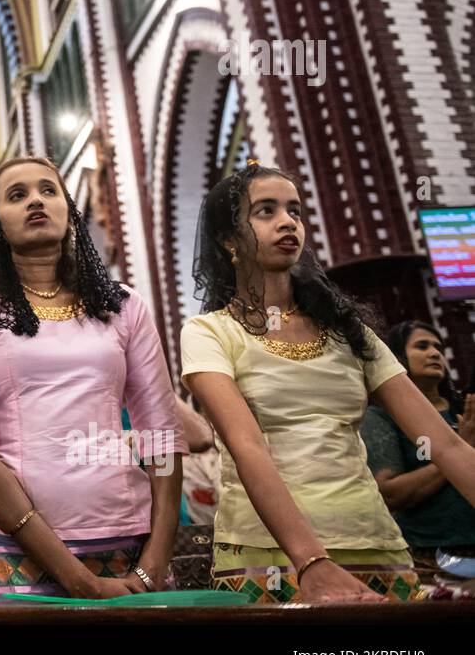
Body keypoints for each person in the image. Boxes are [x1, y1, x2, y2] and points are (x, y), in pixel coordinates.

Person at [180, 161, 475, 603]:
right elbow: (247, 446)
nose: (287, 222)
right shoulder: (210, 333)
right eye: (265, 211)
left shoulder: (349, 333)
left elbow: (446, 445)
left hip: (374, 544)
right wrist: (312, 562)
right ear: (228, 241)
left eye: (294, 211)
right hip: (270, 556)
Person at [0, 156, 184, 601]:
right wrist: (76, 578)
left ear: (68, 208)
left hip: (128, 538)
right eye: (17, 195)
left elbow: (161, 436)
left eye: (48, 190)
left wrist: (156, 558)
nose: (36, 200)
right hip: (10, 544)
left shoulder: (122, 304)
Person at [362, 320, 475, 577]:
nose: (435, 353)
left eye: (438, 347)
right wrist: (462, 449)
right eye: (422, 346)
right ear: (397, 358)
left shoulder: (464, 411)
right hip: (431, 558)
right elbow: (391, 494)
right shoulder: (382, 417)